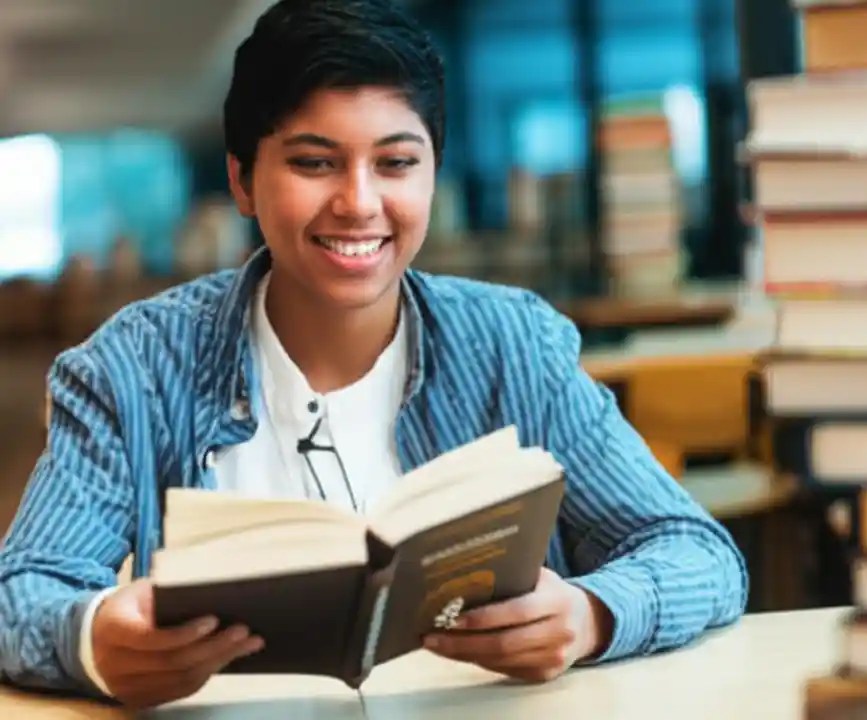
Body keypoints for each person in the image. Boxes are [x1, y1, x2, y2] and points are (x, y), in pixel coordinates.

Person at [0, 0, 747, 709]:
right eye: (314, 163)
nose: (359, 203)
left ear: (432, 173)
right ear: (241, 181)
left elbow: (696, 553)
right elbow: (19, 592)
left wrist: (592, 614)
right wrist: (94, 639)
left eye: (395, 163)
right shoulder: (132, 368)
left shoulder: (515, 346)